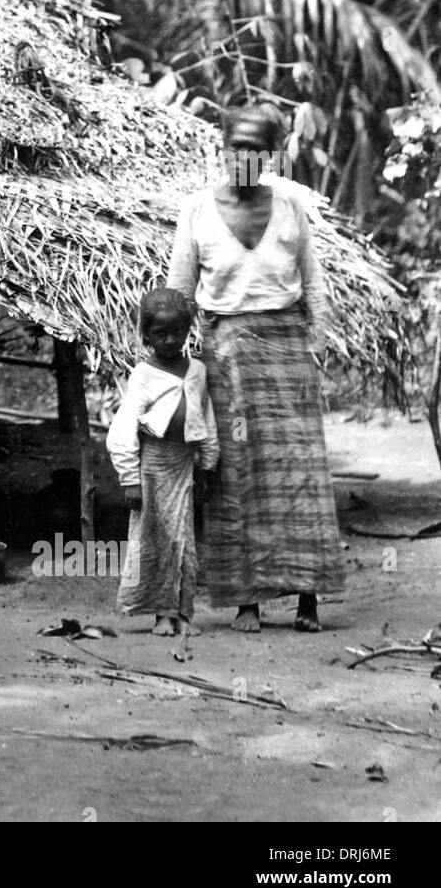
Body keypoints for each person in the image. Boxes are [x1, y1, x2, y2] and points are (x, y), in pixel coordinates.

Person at [167, 104, 345, 632]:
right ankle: (247, 600)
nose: (243, 158)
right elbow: (180, 293)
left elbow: (311, 283)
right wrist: (177, 369)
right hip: (228, 356)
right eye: (235, 147)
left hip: (286, 350)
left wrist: (315, 344)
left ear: (271, 155)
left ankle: (307, 599)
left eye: (256, 150)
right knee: (237, 476)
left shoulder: (291, 204)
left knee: (298, 475)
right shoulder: (196, 209)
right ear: (222, 149)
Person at [106, 289, 219, 637]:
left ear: (188, 332)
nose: (170, 340)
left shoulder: (197, 371)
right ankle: (160, 614)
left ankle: (182, 613)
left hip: (184, 465)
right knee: (154, 540)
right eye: (160, 333)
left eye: (177, 332)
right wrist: (130, 479)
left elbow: (206, 421)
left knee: (183, 541)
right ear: (146, 335)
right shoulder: (143, 374)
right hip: (152, 467)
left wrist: (207, 466)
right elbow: (122, 429)